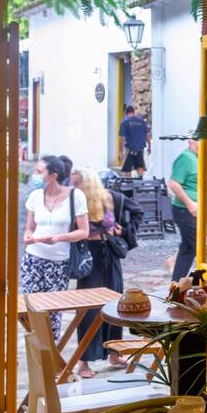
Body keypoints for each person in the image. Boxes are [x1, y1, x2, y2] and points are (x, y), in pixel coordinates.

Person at [21, 155, 89, 342]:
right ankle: (36, 351)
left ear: (53, 175)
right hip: (32, 259)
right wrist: (27, 236)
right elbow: (29, 227)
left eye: (39, 171)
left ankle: (51, 356)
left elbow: (84, 231)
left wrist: (59, 238)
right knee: (31, 309)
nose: (35, 175)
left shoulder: (76, 196)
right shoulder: (35, 196)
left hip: (59, 262)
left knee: (53, 311)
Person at [70, 169, 129, 378]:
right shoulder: (76, 203)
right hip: (90, 257)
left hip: (110, 254)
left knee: (115, 303)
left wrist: (124, 230)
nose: (73, 187)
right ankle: (83, 361)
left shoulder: (110, 198)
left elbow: (136, 211)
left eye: (76, 183)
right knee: (88, 309)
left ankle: (114, 353)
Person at [166, 138, 199, 283]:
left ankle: (177, 284)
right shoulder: (186, 158)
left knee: (188, 248)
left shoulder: (198, 158)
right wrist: (190, 203)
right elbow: (173, 183)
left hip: (191, 210)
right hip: (185, 210)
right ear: (191, 141)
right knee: (202, 245)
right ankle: (204, 285)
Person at [118, 104, 151, 176]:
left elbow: (121, 138)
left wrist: (120, 151)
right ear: (134, 112)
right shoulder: (141, 121)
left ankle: (128, 184)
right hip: (140, 149)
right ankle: (140, 183)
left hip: (130, 149)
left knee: (127, 168)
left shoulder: (125, 122)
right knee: (140, 166)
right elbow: (147, 135)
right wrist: (149, 147)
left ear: (126, 113)